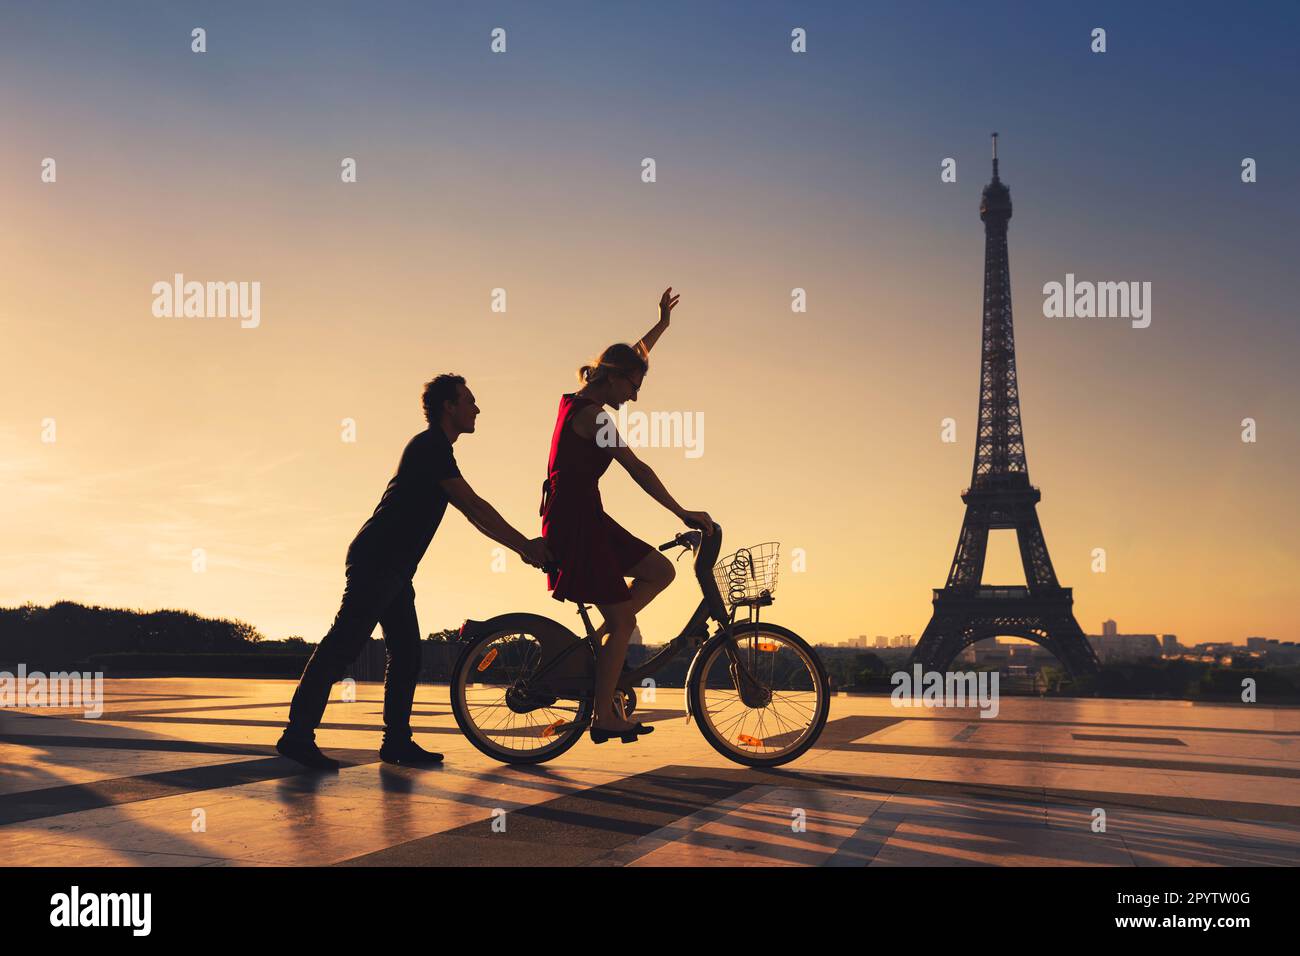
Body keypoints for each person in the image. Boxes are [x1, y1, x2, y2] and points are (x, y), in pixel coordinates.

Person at [277, 375, 551, 770]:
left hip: (394, 566)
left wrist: (521, 547)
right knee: (344, 645)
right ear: (448, 406)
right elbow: (474, 506)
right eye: (469, 401)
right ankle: (297, 736)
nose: (477, 409)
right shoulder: (430, 446)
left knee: (406, 653)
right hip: (378, 560)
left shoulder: (437, 449)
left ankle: (397, 743)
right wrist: (525, 546)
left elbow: (474, 515)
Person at [540, 287, 714, 743]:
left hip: (584, 515)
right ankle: (604, 714)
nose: (635, 397)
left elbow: (628, 357)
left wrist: (660, 327)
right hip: (576, 522)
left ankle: (605, 645)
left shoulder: (577, 398)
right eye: (633, 386)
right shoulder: (595, 417)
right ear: (614, 379)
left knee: (659, 571)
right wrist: (682, 511)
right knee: (625, 622)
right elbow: (637, 469)